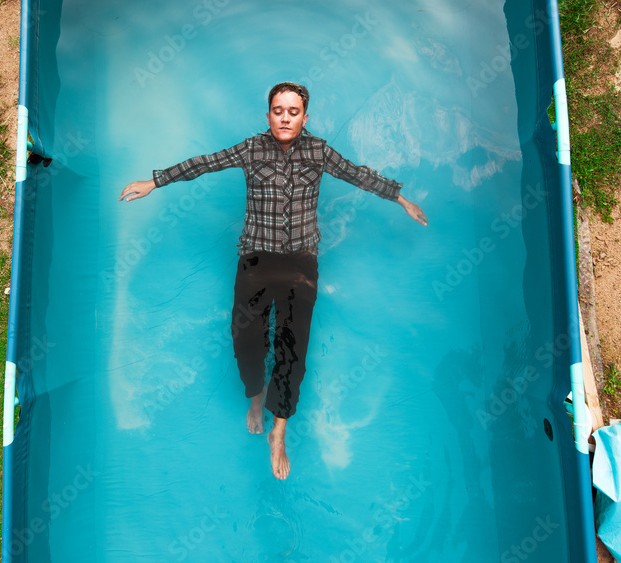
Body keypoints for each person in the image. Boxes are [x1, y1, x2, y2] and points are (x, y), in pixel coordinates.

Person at [120, 82, 428, 479]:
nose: (285, 117)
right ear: (268, 115)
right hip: (256, 259)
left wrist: (400, 197)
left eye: (293, 111)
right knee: (244, 337)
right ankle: (255, 395)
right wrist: (155, 181)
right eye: (278, 110)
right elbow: (205, 163)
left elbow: (356, 174)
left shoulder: (318, 151)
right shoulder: (251, 149)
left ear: (305, 117)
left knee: (292, 346)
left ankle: (279, 430)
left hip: (301, 262)